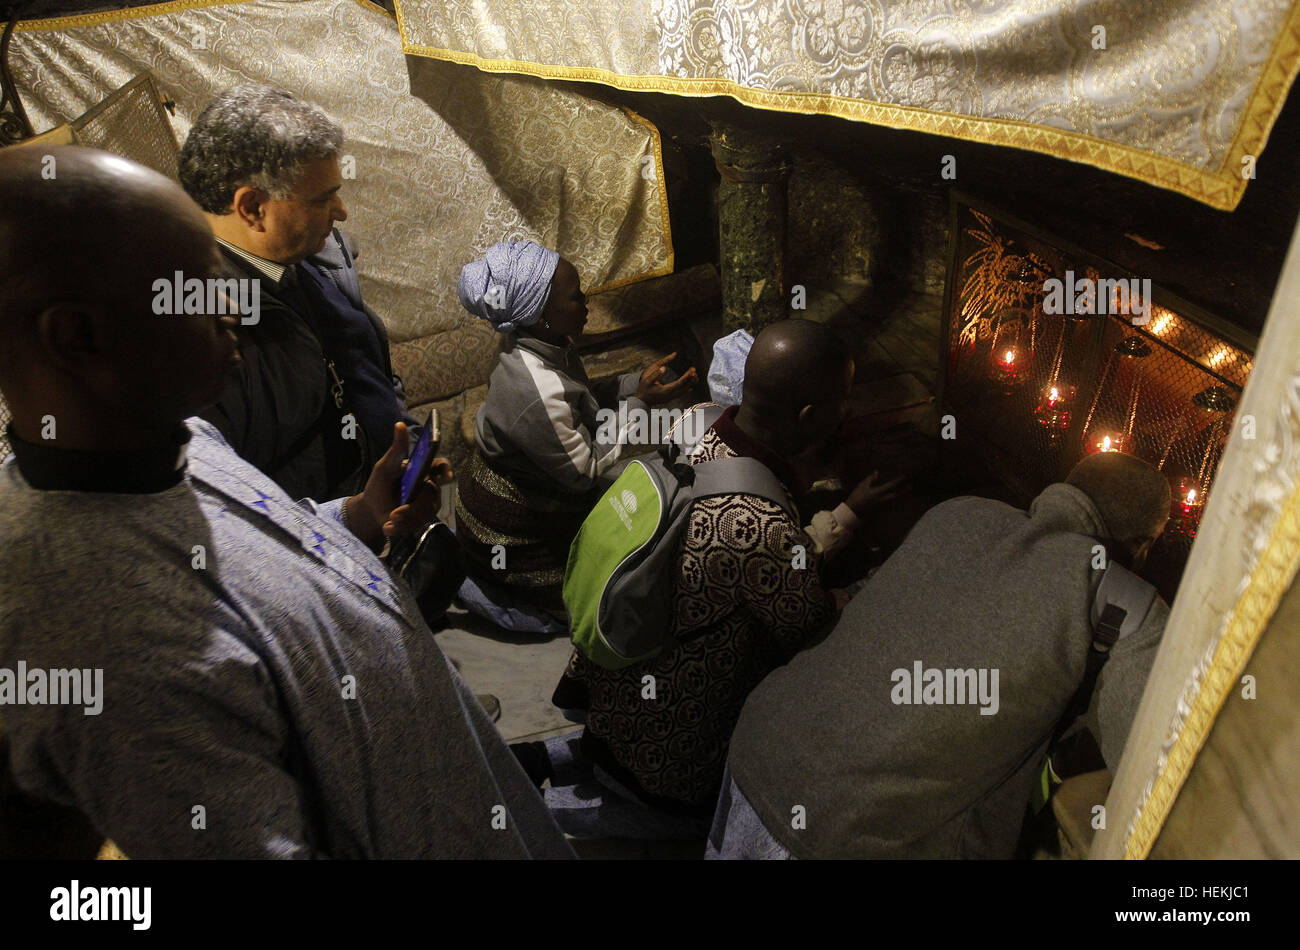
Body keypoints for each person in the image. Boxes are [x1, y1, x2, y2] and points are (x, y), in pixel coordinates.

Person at [0, 145, 572, 859]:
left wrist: (358, 515)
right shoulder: (112, 643)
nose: (229, 311)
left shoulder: (172, 436)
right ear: (76, 336)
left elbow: (247, 542)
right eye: (194, 291)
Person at [534, 318, 903, 838]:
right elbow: (808, 622)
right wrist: (873, 588)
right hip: (669, 759)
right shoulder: (760, 526)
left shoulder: (695, 421)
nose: (848, 410)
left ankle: (561, 758)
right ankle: (583, 811)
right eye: (843, 399)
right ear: (809, 416)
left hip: (612, 696)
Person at [712, 451, 1171, 859]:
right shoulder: (1129, 607)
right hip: (855, 833)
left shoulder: (960, 511)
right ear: (1144, 547)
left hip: (760, 749)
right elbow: (1160, 773)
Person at [179, 84, 418, 502]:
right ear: (253, 208)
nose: (342, 212)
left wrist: (406, 444)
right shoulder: (203, 337)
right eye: (323, 199)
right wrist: (353, 518)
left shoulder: (310, 254)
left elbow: (363, 365)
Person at [453, 240, 698, 629]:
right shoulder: (533, 386)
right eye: (575, 296)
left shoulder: (541, 341)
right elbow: (585, 470)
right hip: (507, 532)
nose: (586, 303)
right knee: (603, 600)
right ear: (541, 314)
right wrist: (640, 403)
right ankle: (496, 595)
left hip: (519, 490)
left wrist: (635, 383)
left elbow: (579, 396)